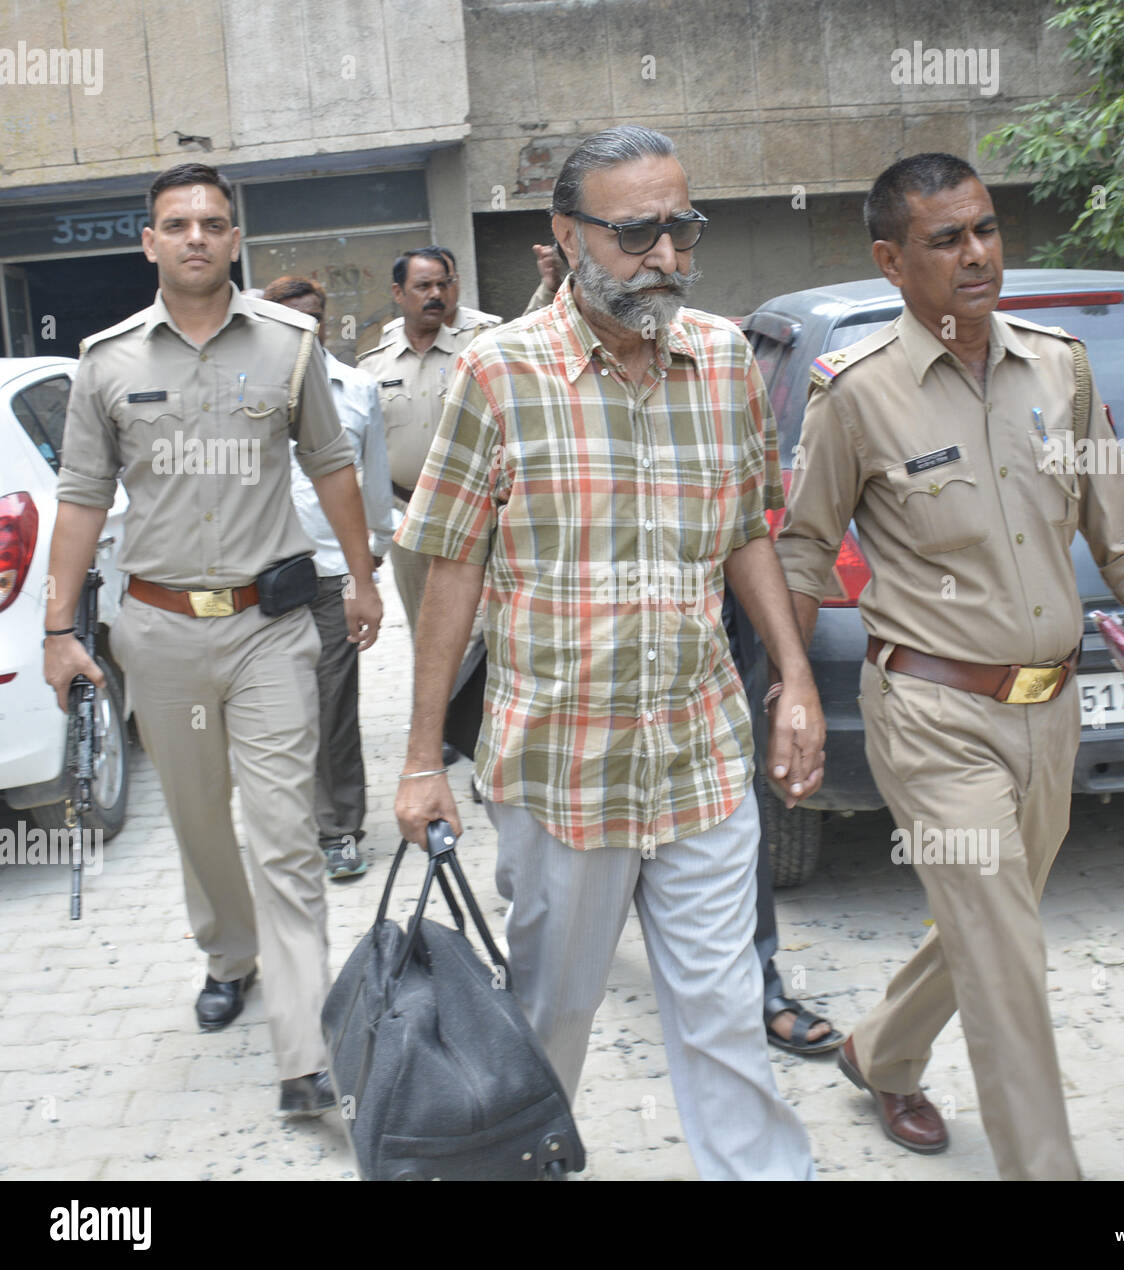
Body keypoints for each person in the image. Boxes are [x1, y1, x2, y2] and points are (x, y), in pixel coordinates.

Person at [773, 152, 1124, 1179]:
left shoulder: (1061, 369)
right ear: (891, 260)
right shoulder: (855, 396)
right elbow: (803, 545)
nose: (978, 254)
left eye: (984, 228)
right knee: (1010, 958)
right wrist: (794, 686)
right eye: (947, 239)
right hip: (931, 712)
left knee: (992, 926)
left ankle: (880, 1050)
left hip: (1050, 709)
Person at [393, 124, 824, 1180]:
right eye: (637, 234)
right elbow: (449, 565)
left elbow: (748, 530)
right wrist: (417, 758)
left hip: (701, 754)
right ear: (566, 233)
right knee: (552, 1014)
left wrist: (796, 682)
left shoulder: (722, 359)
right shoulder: (498, 373)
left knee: (725, 1010)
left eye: (682, 227)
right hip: (559, 769)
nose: (667, 256)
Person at [43, 162, 383, 1116]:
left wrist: (360, 580)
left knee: (284, 834)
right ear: (149, 243)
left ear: (236, 241)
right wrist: (59, 628)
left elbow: (332, 465)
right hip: (157, 630)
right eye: (176, 222)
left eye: (213, 222)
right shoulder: (105, 363)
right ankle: (230, 956)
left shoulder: (289, 346)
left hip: (271, 629)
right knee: (199, 823)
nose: (196, 236)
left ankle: (305, 1053)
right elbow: (79, 501)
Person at [262, 275, 394, 881]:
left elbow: (371, 482)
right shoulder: (248, 390)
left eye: (311, 320)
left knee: (333, 704)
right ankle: (287, 828)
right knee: (276, 711)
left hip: (331, 577)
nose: (303, 331)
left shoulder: (357, 389)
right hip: (261, 579)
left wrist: (366, 568)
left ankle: (339, 828)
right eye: (288, 321)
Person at [358, 246, 504, 644]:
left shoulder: (478, 351)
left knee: (484, 632)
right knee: (426, 631)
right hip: (407, 514)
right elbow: (361, 452)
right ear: (398, 293)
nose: (436, 294)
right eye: (423, 286)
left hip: (473, 512)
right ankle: (435, 708)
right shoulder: (372, 367)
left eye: (444, 284)